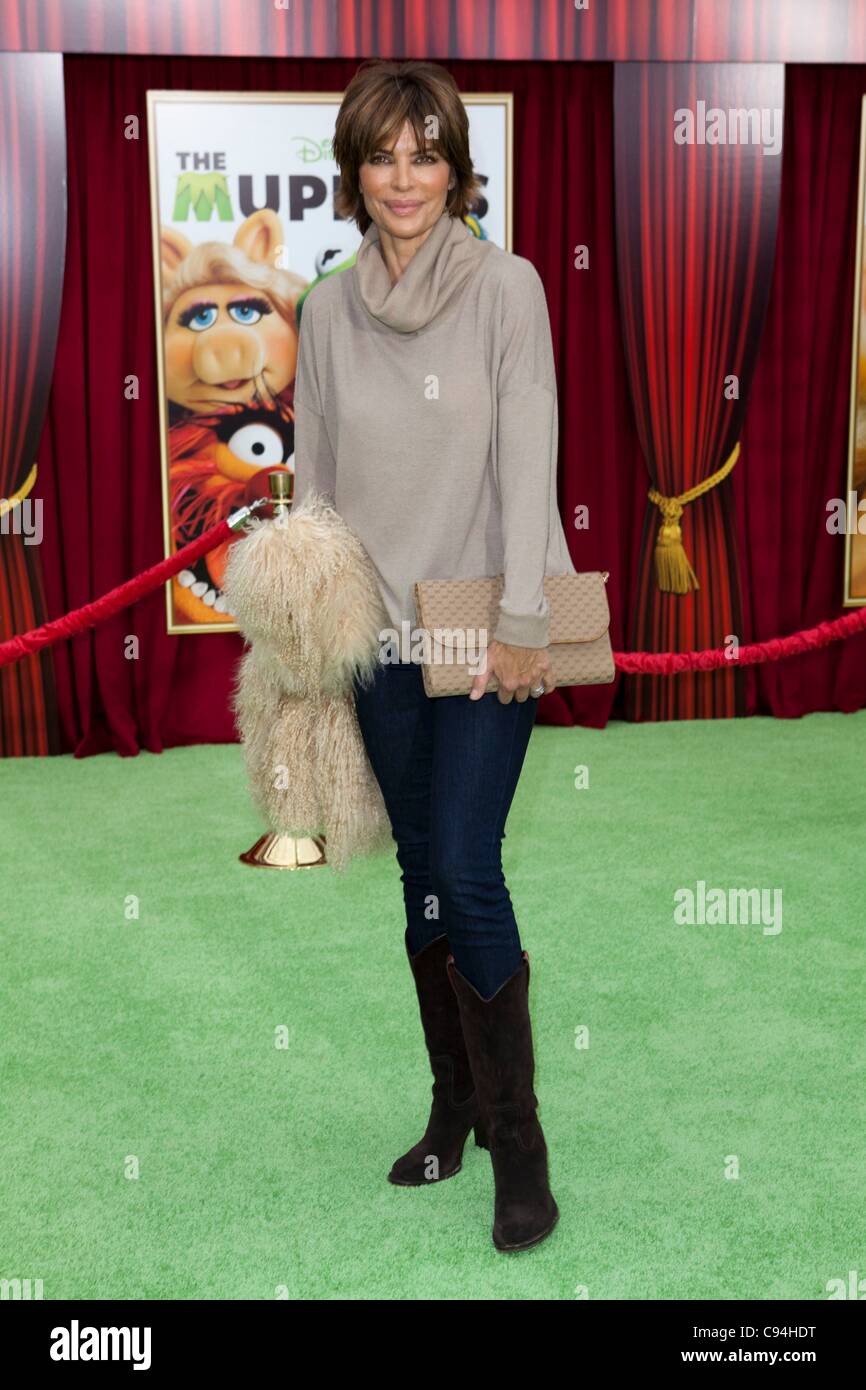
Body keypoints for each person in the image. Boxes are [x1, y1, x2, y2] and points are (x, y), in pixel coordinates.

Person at [291, 57, 577, 1254]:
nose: (403, 176)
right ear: (354, 172)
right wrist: (311, 632)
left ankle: (519, 1144)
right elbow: (313, 482)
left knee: (465, 865)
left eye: (425, 152)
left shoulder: (506, 289)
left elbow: (528, 460)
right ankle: (450, 1105)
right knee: (417, 872)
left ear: (458, 169)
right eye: (382, 153)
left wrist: (520, 620)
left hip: (481, 621)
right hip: (374, 636)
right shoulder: (324, 309)